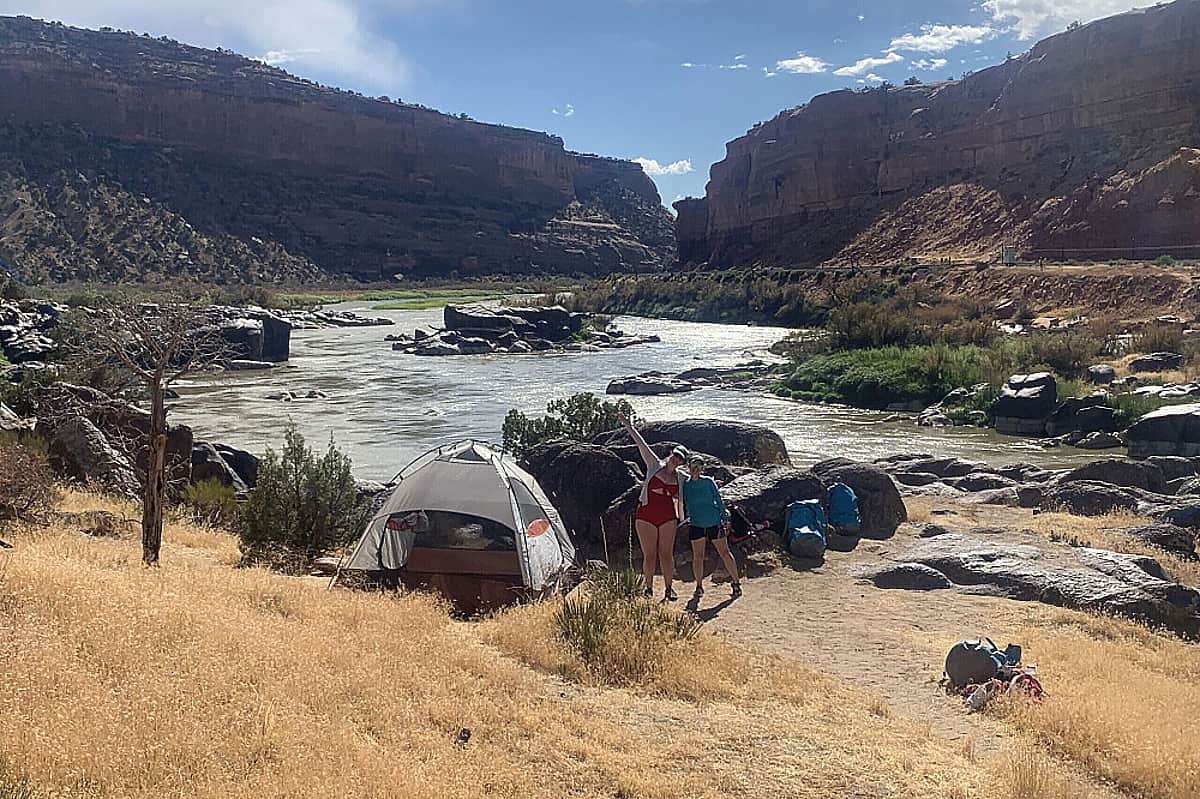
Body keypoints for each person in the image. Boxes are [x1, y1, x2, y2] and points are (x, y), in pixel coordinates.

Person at [621, 415, 688, 601]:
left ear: (682, 463)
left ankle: (669, 589)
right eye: (675, 456)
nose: (675, 460)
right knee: (649, 555)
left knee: (666, 554)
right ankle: (648, 588)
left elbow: (697, 485)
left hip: (668, 517)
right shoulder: (654, 464)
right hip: (646, 515)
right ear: (671, 455)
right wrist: (627, 425)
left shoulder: (682, 478)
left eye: (680, 459)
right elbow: (641, 443)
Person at [682, 456, 742, 599]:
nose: (695, 469)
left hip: (714, 523)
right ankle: (699, 586)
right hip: (696, 524)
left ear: (702, 468)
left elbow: (718, 500)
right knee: (698, 557)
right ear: (688, 467)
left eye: (699, 466)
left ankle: (736, 583)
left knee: (725, 553)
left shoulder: (708, 482)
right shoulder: (686, 485)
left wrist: (725, 518)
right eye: (693, 465)